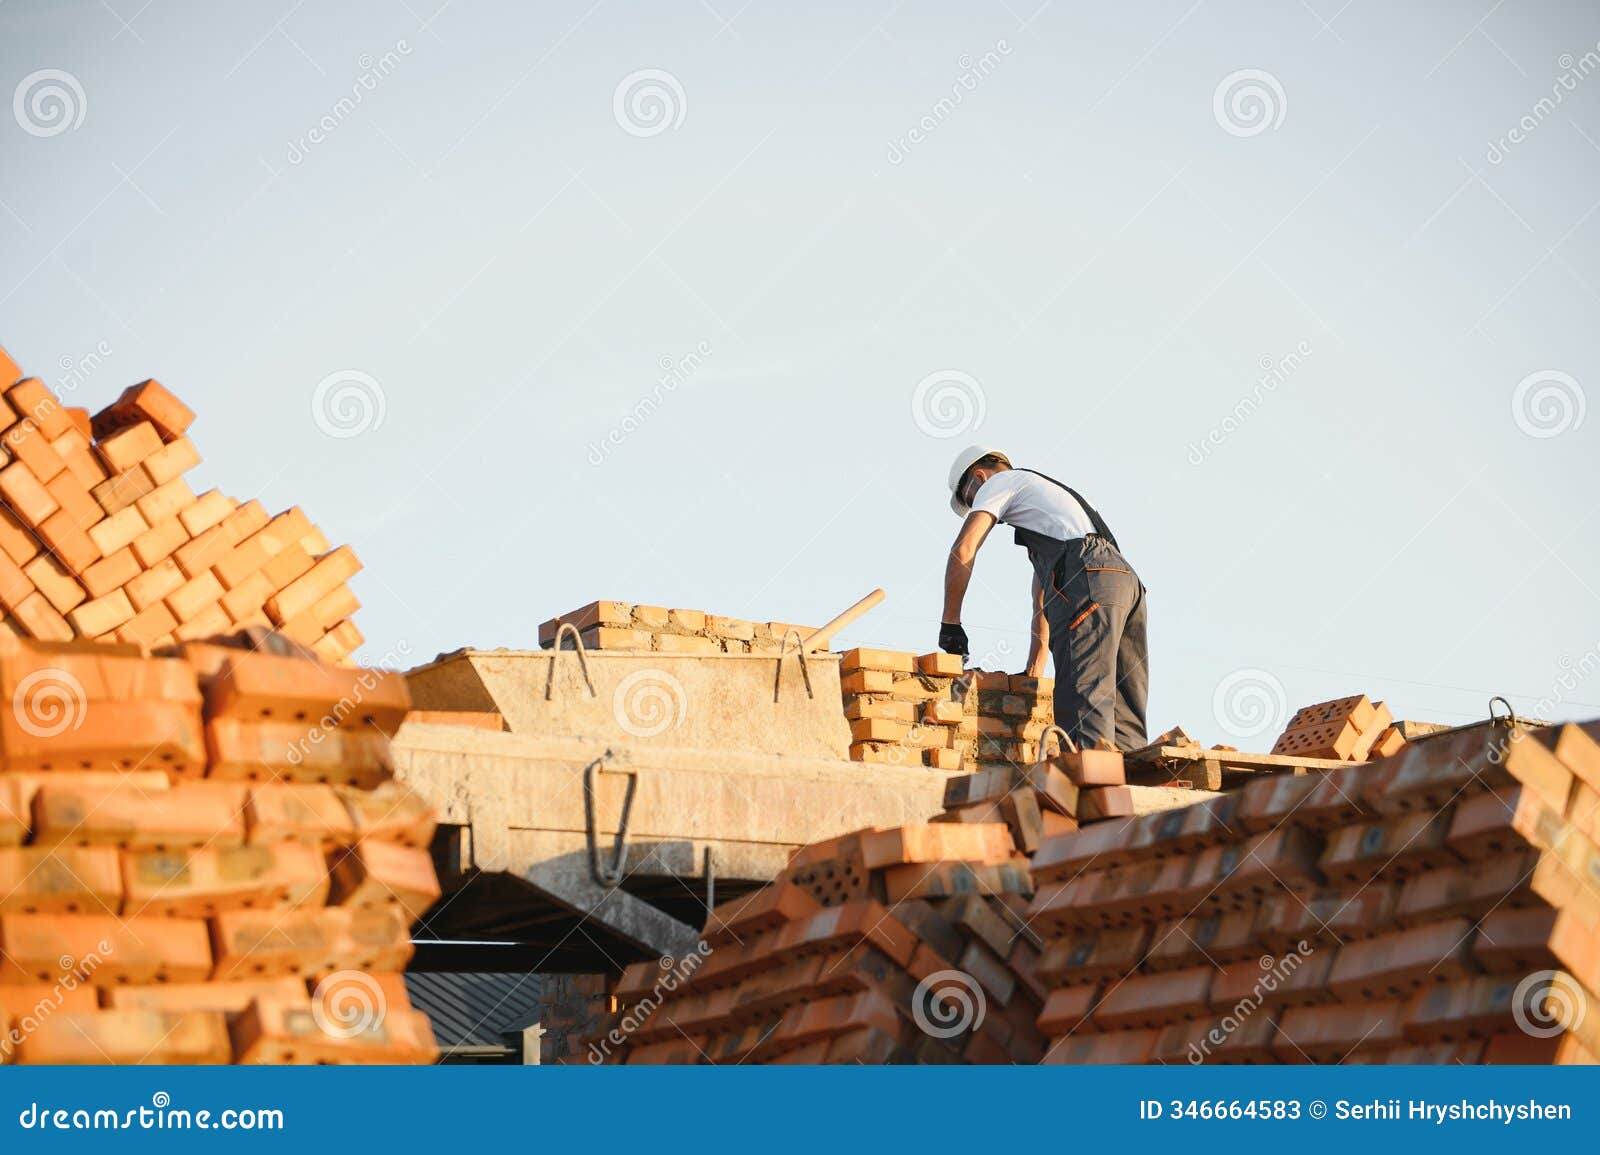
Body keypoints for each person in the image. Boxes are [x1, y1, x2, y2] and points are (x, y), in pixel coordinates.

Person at [939, 445, 1149, 752]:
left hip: (1087, 578)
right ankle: (1129, 782)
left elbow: (964, 550)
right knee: (1123, 710)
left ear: (978, 477)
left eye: (970, 500)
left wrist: (951, 623)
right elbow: (1043, 601)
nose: (976, 507)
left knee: (1084, 700)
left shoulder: (999, 483)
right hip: (1125, 583)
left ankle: (1090, 789)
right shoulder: (1053, 510)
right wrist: (1033, 670)